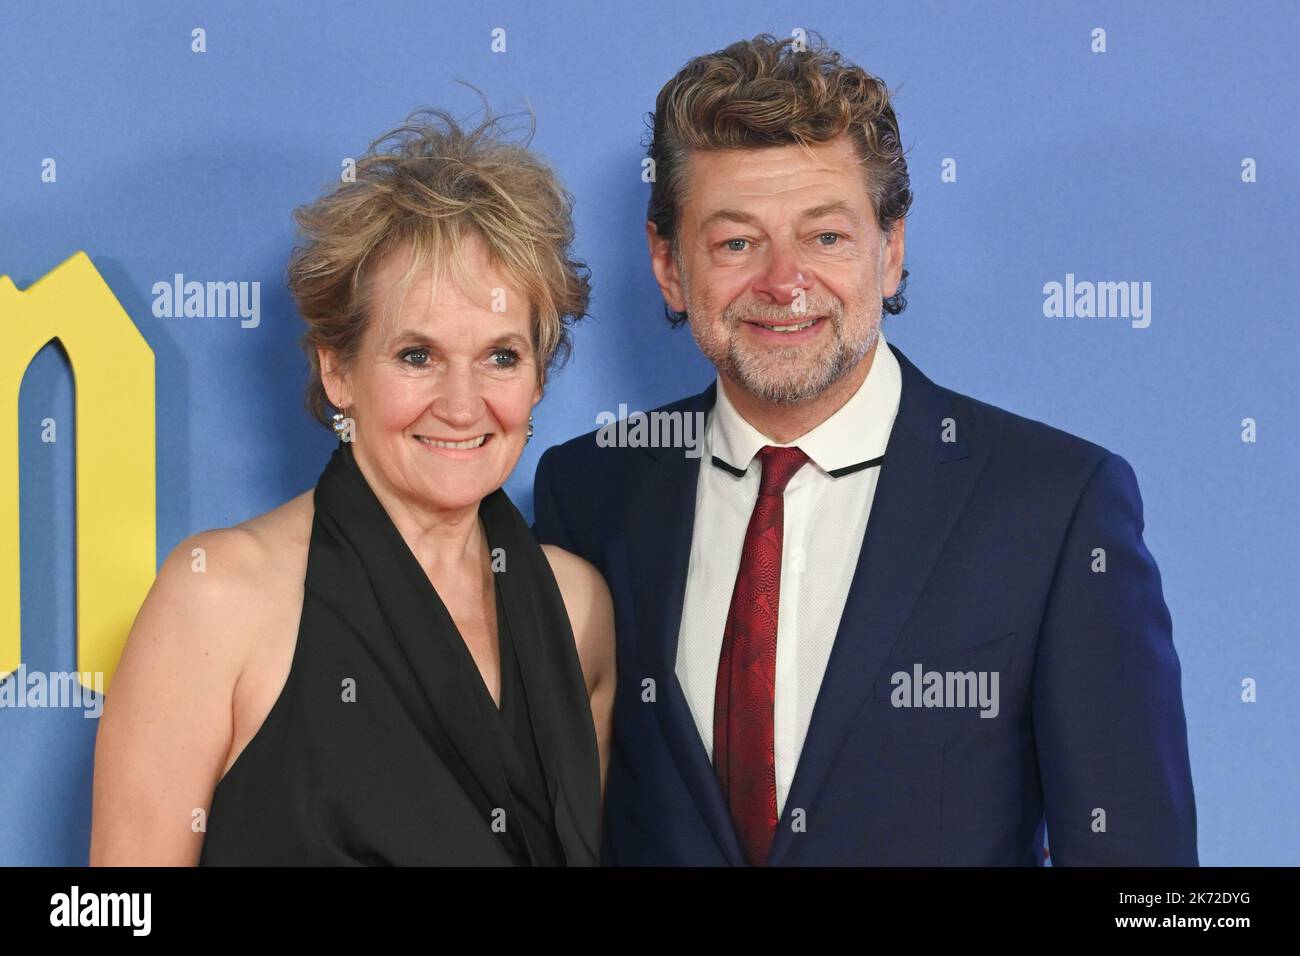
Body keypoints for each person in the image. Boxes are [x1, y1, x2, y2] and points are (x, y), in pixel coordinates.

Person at [532, 33, 1197, 866]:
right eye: (736, 242)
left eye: (827, 238)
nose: (784, 282)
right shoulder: (588, 489)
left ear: (892, 250)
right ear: (668, 265)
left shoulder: (1056, 507)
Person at [90, 106, 615, 866]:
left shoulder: (577, 609)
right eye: (416, 355)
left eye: (501, 357)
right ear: (337, 369)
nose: (463, 404)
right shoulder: (217, 597)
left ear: (538, 377)